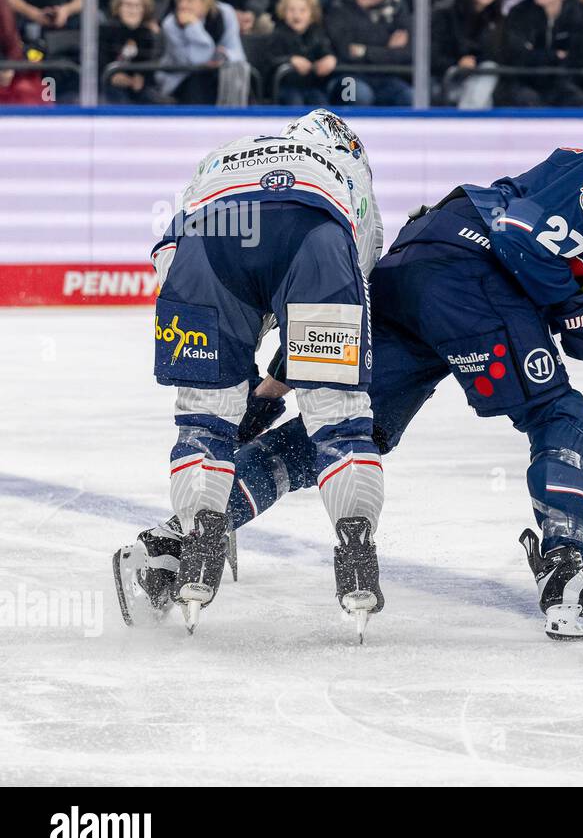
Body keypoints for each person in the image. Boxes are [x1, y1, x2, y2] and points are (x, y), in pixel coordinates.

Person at [115, 115, 583, 642]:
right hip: (469, 271)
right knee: (561, 414)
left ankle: (178, 542)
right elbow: (523, 239)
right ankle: (567, 576)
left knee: (341, 434)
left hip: (413, 272)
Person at [114, 110, 385, 636]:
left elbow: (168, 253)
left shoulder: (228, 151)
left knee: (203, 421)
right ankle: (356, 551)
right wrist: (286, 375)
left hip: (208, 236)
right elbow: (353, 280)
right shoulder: (348, 174)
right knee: (339, 419)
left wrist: (234, 381)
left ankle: (200, 538)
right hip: (314, 235)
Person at [494, 0, 583, 107]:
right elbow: (517, 56)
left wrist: (537, 54)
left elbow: (578, 58)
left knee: (579, 101)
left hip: (557, 83)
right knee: (528, 101)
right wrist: (554, 55)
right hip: (519, 82)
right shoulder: (519, 13)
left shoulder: (573, 15)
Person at [326, 0, 413, 106]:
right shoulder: (339, 7)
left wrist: (364, 50)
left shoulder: (399, 9)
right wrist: (386, 47)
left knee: (410, 97)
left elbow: (406, 53)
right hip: (348, 76)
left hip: (386, 75)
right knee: (359, 95)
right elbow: (346, 51)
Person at [157, 0, 247, 104]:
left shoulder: (226, 13)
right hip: (182, 78)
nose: (183, 5)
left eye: (190, 0)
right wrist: (193, 26)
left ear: (206, 0)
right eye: (180, 0)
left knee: (237, 76)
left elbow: (237, 52)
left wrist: (223, 57)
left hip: (219, 73)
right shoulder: (171, 24)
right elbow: (195, 60)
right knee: (198, 82)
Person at [431, 0, 504, 108]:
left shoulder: (496, 19)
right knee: (484, 98)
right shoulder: (445, 13)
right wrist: (457, 63)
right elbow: (432, 55)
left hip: (479, 80)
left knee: (489, 71)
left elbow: (496, 55)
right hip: (446, 79)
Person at [269, 0, 336, 105]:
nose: (296, 15)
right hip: (286, 87)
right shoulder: (278, 34)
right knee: (294, 100)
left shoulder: (317, 34)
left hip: (312, 86)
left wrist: (329, 58)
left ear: (311, 15)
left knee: (320, 102)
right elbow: (270, 60)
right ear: (283, 12)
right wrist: (291, 60)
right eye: (291, 10)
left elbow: (325, 51)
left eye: (302, 10)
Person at [101, 0, 161, 104]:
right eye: (128, 5)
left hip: (140, 90)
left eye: (137, 5)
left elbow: (150, 68)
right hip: (109, 89)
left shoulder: (148, 35)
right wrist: (112, 77)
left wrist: (139, 79)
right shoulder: (106, 31)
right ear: (118, 7)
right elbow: (100, 63)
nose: (132, 10)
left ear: (144, 9)